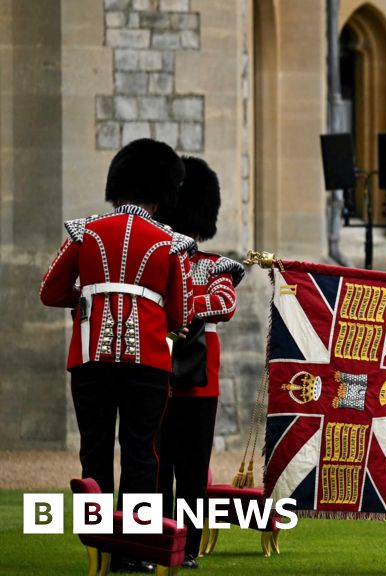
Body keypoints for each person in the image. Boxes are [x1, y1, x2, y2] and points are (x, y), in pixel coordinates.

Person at [40, 138, 193, 573]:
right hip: (147, 364)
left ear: (118, 187)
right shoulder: (170, 243)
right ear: (160, 196)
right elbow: (181, 314)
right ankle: (134, 551)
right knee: (142, 455)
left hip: (90, 362)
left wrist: (89, 297)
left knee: (95, 453)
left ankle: (99, 548)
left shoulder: (85, 232)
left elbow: (50, 291)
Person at [155, 157, 244, 569]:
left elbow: (225, 304)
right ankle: (158, 542)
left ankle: (188, 547)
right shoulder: (157, 261)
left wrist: (175, 305)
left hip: (200, 380)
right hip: (157, 374)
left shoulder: (213, 264)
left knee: (192, 471)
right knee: (158, 468)